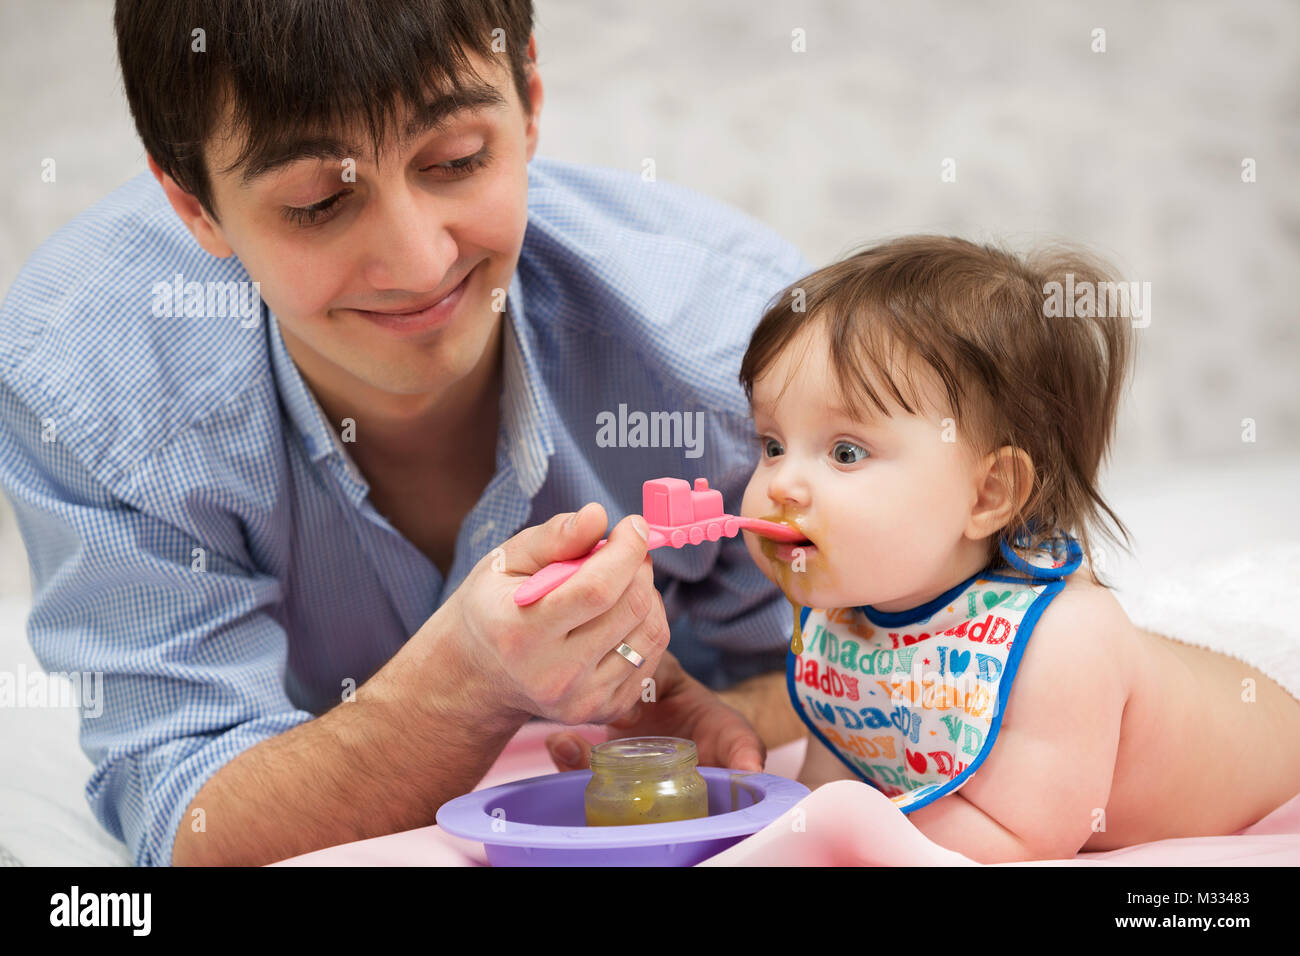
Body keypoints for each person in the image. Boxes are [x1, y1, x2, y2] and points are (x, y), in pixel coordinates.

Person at [0, 0, 812, 866]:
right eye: (319, 203)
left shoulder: (738, 346)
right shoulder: (90, 381)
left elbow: (888, 663)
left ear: (529, 97)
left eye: (457, 160)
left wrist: (674, 717)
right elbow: (191, 817)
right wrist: (469, 688)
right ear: (192, 206)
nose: (421, 266)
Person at [734, 234, 1300, 862]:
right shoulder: (838, 616)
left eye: (846, 452)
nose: (780, 484)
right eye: (772, 444)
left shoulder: (1063, 644)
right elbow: (837, 771)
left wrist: (841, 828)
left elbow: (1021, 839)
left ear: (988, 495)